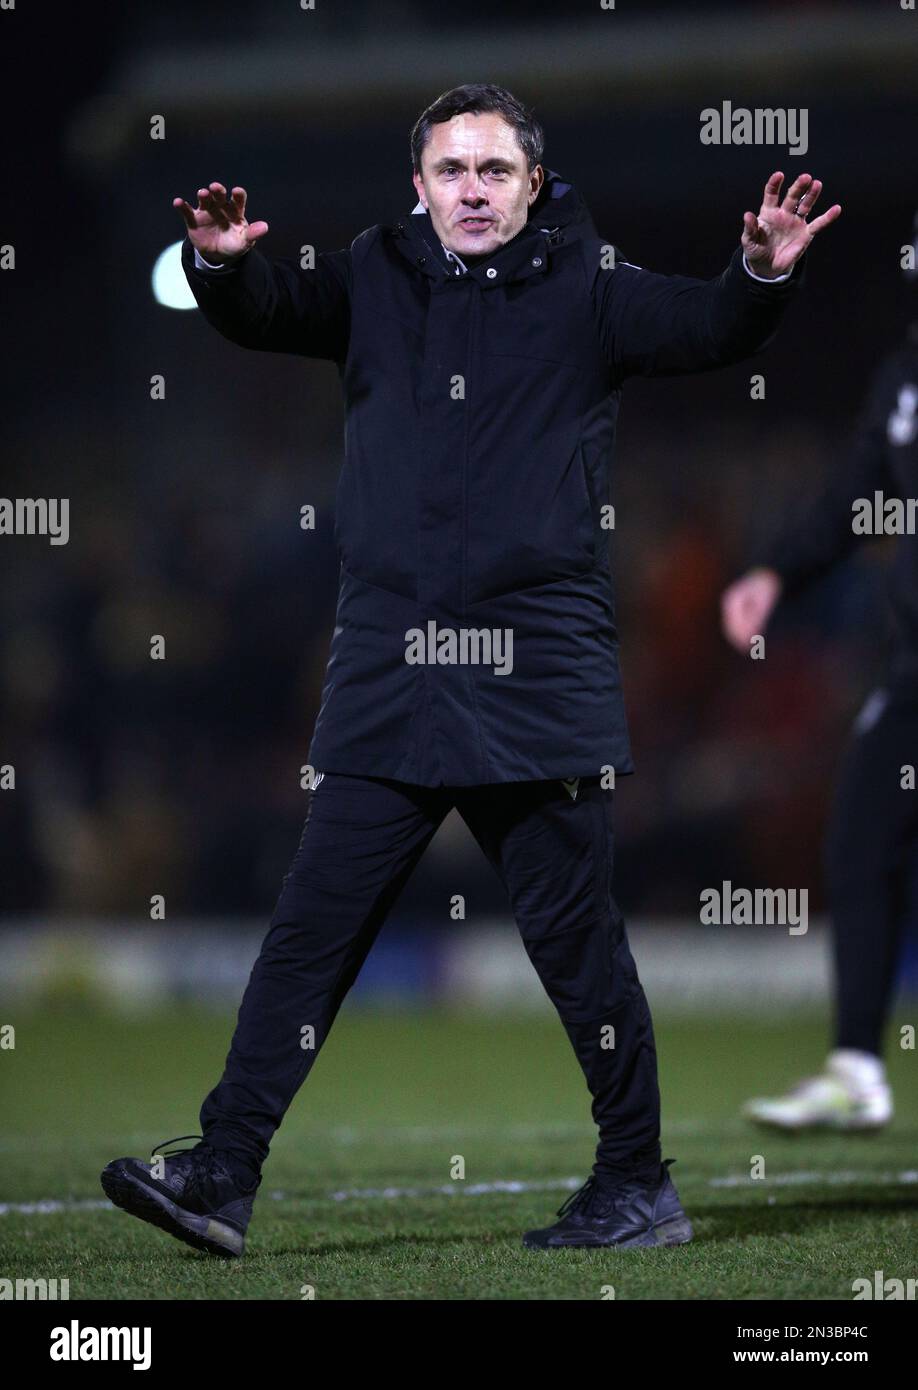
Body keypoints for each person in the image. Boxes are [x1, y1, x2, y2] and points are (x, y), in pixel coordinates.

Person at [101, 83, 839, 1255]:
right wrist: (225, 269)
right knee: (311, 930)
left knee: (575, 943)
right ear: (420, 187)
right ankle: (223, 1170)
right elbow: (273, 308)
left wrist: (760, 274)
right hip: (389, 665)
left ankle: (636, 1181)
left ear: (533, 182)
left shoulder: (596, 288)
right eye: (452, 171)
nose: (474, 190)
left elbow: (710, 328)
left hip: (537, 668)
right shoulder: (373, 270)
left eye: (496, 170)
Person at [721, 223, 918, 1131]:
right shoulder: (905, 378)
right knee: (860, 841)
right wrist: (777, 571)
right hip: (914, 666)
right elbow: (855, 494)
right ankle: (855, 1068)